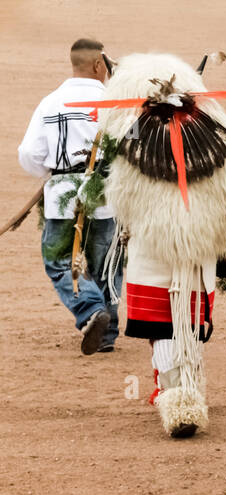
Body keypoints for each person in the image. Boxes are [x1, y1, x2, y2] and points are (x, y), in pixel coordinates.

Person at [97, 52, 226, 437]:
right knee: (186, 322)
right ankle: (184, 391)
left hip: (152, 244)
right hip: (198, 248)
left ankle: (176, 396)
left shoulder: (130, 134)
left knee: (162, 326)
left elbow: (116, 192)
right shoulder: (222, 135)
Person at [17, 36, 122, 354]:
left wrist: (53, 173)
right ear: (97, 64)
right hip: (106, 195)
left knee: (60, 261)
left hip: (63, 195)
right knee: (107, 265)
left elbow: (29, 154)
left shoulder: (50, 103)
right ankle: (106, 332)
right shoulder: (115, 103)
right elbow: (133, 150)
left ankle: (91, 312)